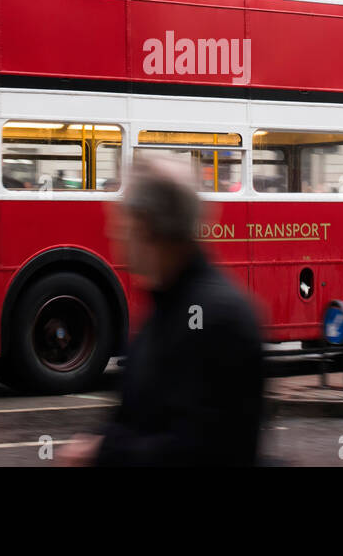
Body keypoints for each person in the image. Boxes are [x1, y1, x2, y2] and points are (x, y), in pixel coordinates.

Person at [60, 157, 265, 466]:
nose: (112, 230)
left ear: (144, 225)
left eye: (121, 220)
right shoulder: (166, 305)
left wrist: (99, 454)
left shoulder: (216, 316)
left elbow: (202, 450)